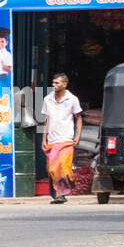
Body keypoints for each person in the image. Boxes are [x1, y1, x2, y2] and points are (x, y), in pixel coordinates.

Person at [40, 73, 83, 204]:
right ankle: (60, 193)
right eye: (53, 83)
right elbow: (46, 120)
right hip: (52, 140)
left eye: (57, 83)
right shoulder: (48, 99)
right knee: (54, 168)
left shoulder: (72, 99)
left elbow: (79, 118)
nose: (54, 85)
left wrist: (78, 136)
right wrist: (43, 139)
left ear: (64, 84)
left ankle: (65, 189)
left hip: (66, 139)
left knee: (63, 167)